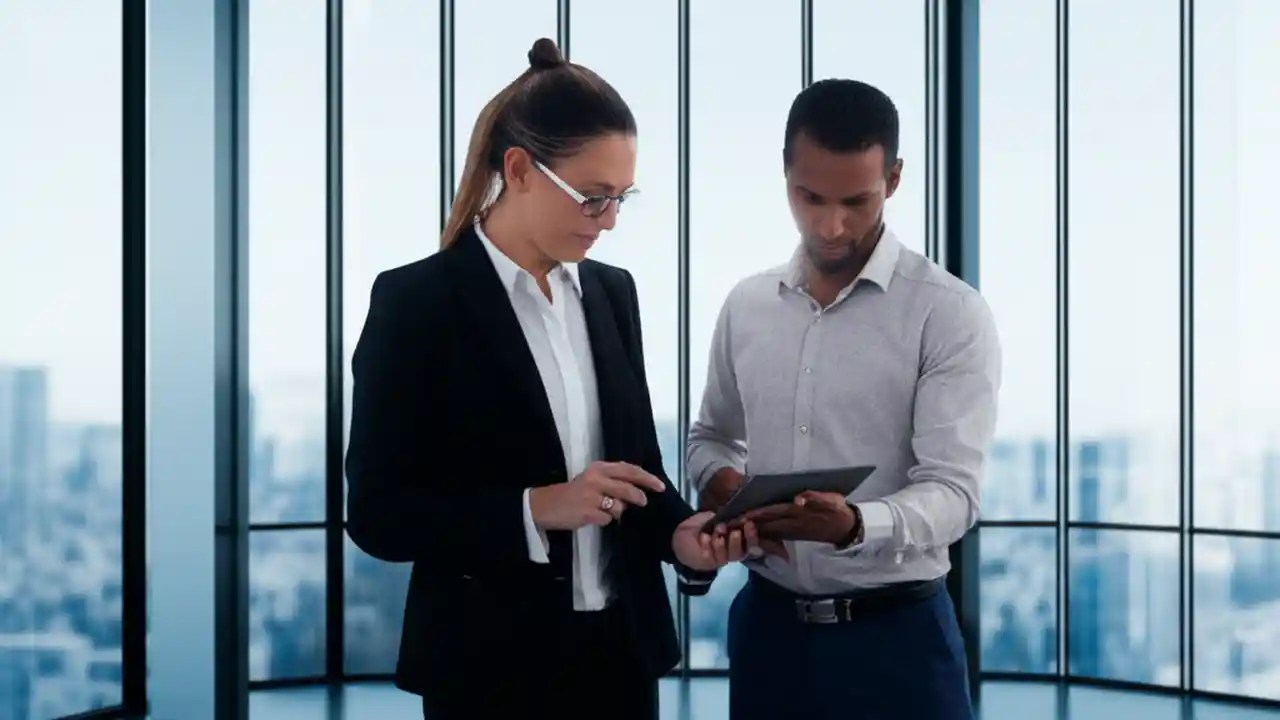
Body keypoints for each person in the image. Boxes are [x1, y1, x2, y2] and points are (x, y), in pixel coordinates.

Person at [345, 38, 751, 720]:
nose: (611, 222)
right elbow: (378, 514)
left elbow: (636, 476)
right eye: (593, 199)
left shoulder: (612, 295)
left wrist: (684, 538)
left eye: (623, 199)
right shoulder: (418, 302)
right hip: (487, 670)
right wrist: (534, 510)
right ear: (520, 169)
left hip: (621, 662)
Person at [688, 78, 1001, 720]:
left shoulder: (948, 313)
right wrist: (723, 484)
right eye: (810, 197)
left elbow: (955, 491)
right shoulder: (747, 306)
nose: (831, 226)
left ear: (894, 179)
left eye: (856, 200)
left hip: (899, 642)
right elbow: (709, 436)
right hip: (768, 633)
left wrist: (856, 526)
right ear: (785, 177)